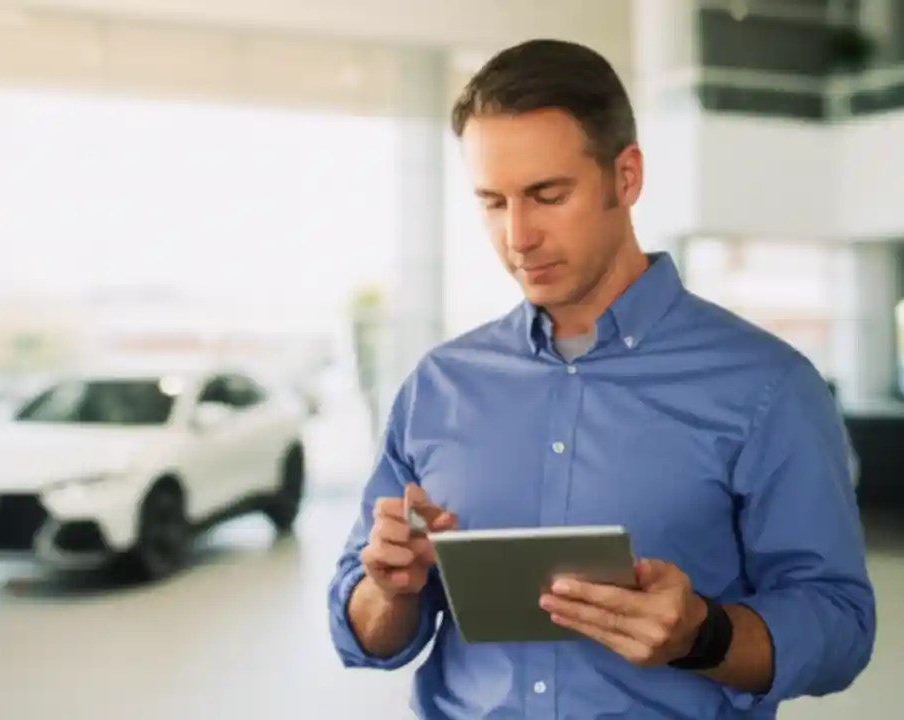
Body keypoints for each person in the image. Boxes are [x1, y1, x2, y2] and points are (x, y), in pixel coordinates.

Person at [328, 39, 875, 718]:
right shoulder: (439, 387)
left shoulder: (769, 386)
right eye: (493, 203)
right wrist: (391, 588)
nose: (517, 236)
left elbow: (840, 625)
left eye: (547, 195)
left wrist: (703, 635)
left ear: (627, 176)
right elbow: (368, 633)